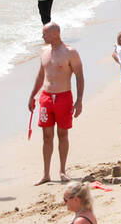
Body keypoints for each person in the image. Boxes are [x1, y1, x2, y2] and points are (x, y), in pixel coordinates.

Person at [29, 23, 84, 184]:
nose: (42, 37)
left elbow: (79, 76)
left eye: (44, 34)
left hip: (63, 97)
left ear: (54, 34)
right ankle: (46, 174)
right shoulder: (44, 52)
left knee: (62, 134)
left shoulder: (70, 52)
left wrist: (79, 100)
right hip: (46, 98)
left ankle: (62, 170)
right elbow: (41, 75)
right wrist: (32, 96)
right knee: (46, 136)